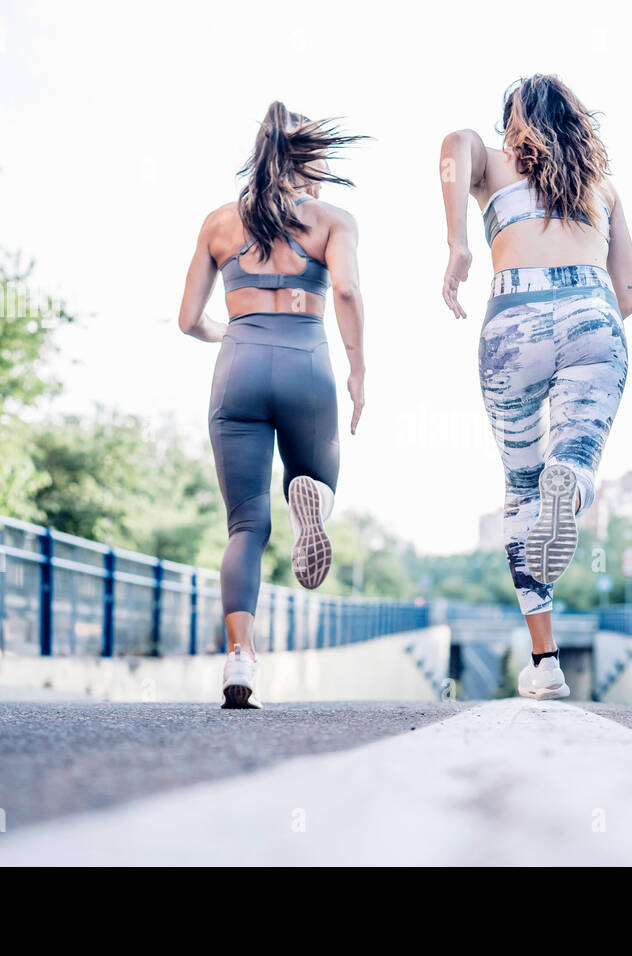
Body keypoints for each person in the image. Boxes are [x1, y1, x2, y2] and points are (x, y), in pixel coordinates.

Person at [440, 75, 632, 701]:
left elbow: (454, 146)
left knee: (522, 491)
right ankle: (572, 485)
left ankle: (546, 663)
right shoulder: (601, 187)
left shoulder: (495, 166)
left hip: (514, 318)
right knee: (573, 458)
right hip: (594, 314)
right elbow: (630, 294)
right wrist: (584, 311)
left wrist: (458, 245)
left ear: (513, 121)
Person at [178, 102, 367, 709]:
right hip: (305, 364)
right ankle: (309, 502)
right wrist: (358, 368)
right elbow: (345, 290)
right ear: (309, 162)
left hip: (238, 368)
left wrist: (230, 333)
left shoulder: (217, 223)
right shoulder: (332, 221)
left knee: (244, 527)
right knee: (316, 478)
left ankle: (240, 660)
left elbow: (187, 321)